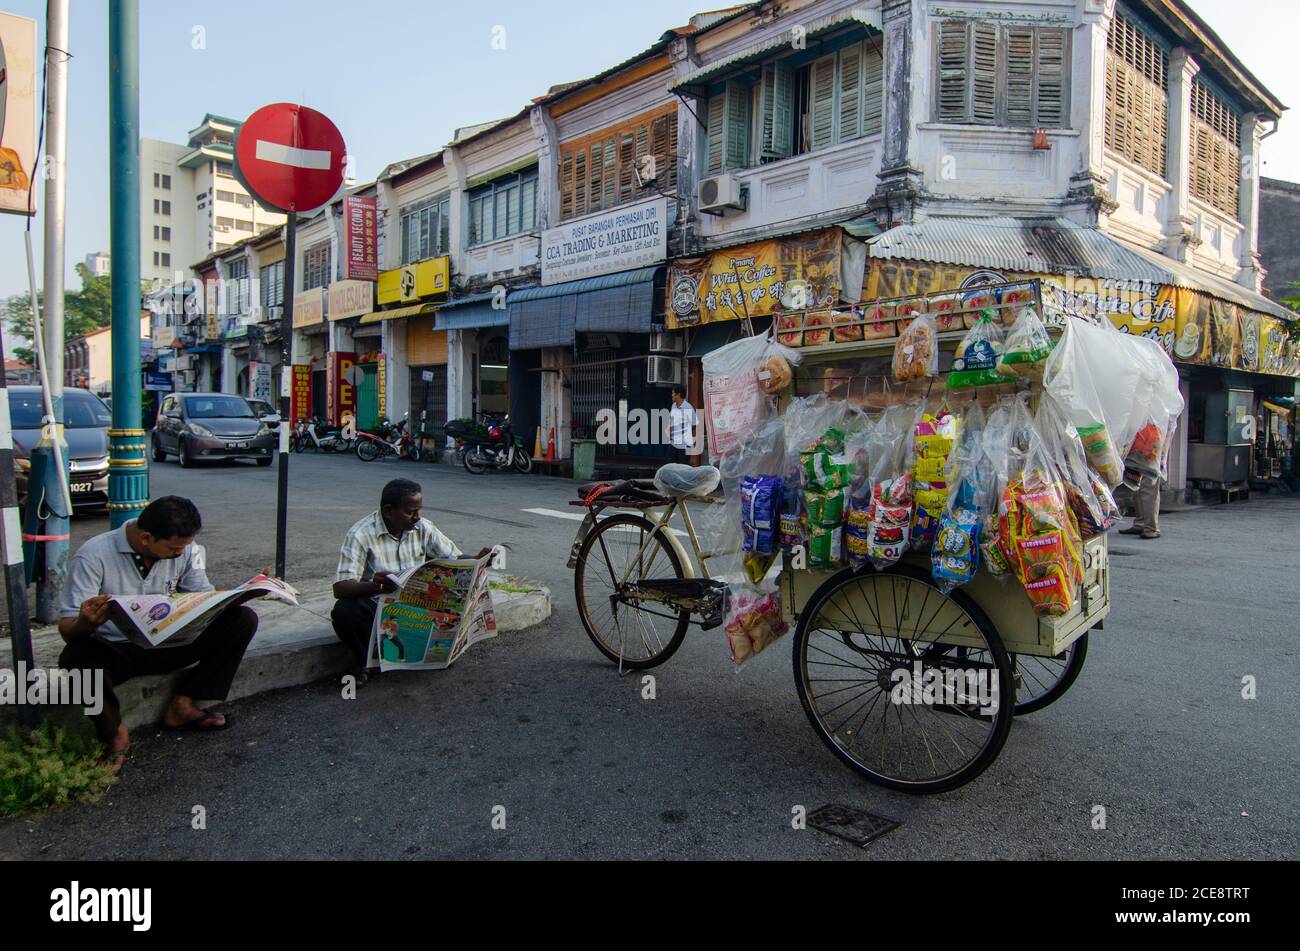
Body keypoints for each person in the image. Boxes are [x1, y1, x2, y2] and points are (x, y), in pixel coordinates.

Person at [58, 496, 259, 772]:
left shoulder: (187, 551)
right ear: (145, 538)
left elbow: (204, 597)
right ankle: (114, 733)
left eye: (185, 547)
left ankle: (184, 704)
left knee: (241, 620)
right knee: (75, 658)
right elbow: (68, 629)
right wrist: (86, 622)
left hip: (169, 642)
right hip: (118, 652)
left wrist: (243, 594)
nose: (181, 553)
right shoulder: (93, 555)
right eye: (174, 549)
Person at [331, 478, 487, 673]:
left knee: (455, 596)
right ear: (388, 511)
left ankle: (432, 654)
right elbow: (341, 587)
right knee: (346, 611)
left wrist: (478, 560)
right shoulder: (360, 535)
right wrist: (376, 586)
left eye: (419, 510)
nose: (417, 517)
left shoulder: (423, 527)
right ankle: (364, 663)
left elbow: (454, 557)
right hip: (381, 610)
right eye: (410, 512)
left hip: (418, 609)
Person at [1120, 470, 1161, 539]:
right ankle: (1140, 524)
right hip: (1138, 460)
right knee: (1137, 487)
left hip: (1150, 461)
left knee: (1149, 485)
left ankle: (1151, 528)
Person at [668, 384, 698, 465]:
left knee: (682, 469)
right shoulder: (673, 406)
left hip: (684, 446)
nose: (672, 395)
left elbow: (694, 424)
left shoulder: (688, 408)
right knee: (671, 467)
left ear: (679, 395)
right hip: (673, 443)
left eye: (673, 393)